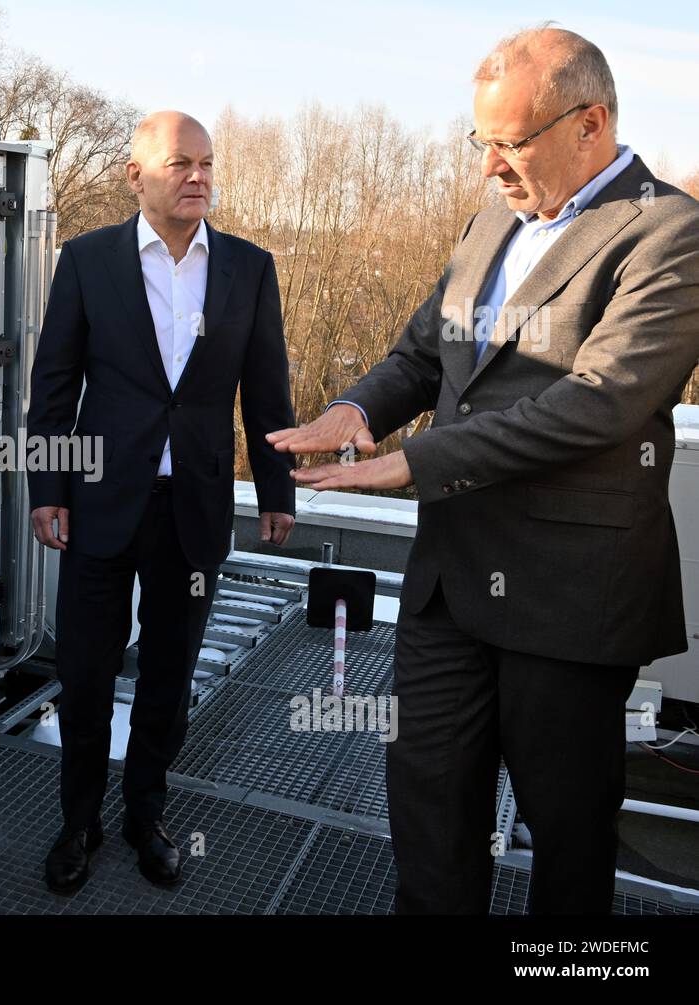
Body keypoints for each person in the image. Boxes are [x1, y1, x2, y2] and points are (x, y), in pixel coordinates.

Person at [268, 25, 699, 914]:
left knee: (568, 832)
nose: (489, 169)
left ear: (591, 123)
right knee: (427, 809)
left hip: (572, 598)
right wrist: (358, 410)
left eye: (509, 144)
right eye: (482, 142)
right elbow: (427, 351)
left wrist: (411, 465)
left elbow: (597, 403)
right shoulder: (492, 220)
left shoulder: (669, 234)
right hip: (450, 588)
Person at [27, 110, 297, 894]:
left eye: (207, 163)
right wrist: (48, 489)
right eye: (180, 162)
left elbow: (268, 392)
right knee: (84, 674)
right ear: (135, 174)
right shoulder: (86, 261)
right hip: (100, 502)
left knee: (170, 678)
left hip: (196, 509)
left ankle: (147, 811)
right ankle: (79, 820)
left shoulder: (249, 268)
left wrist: (275, 489)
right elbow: (52, 390)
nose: (198, 177)